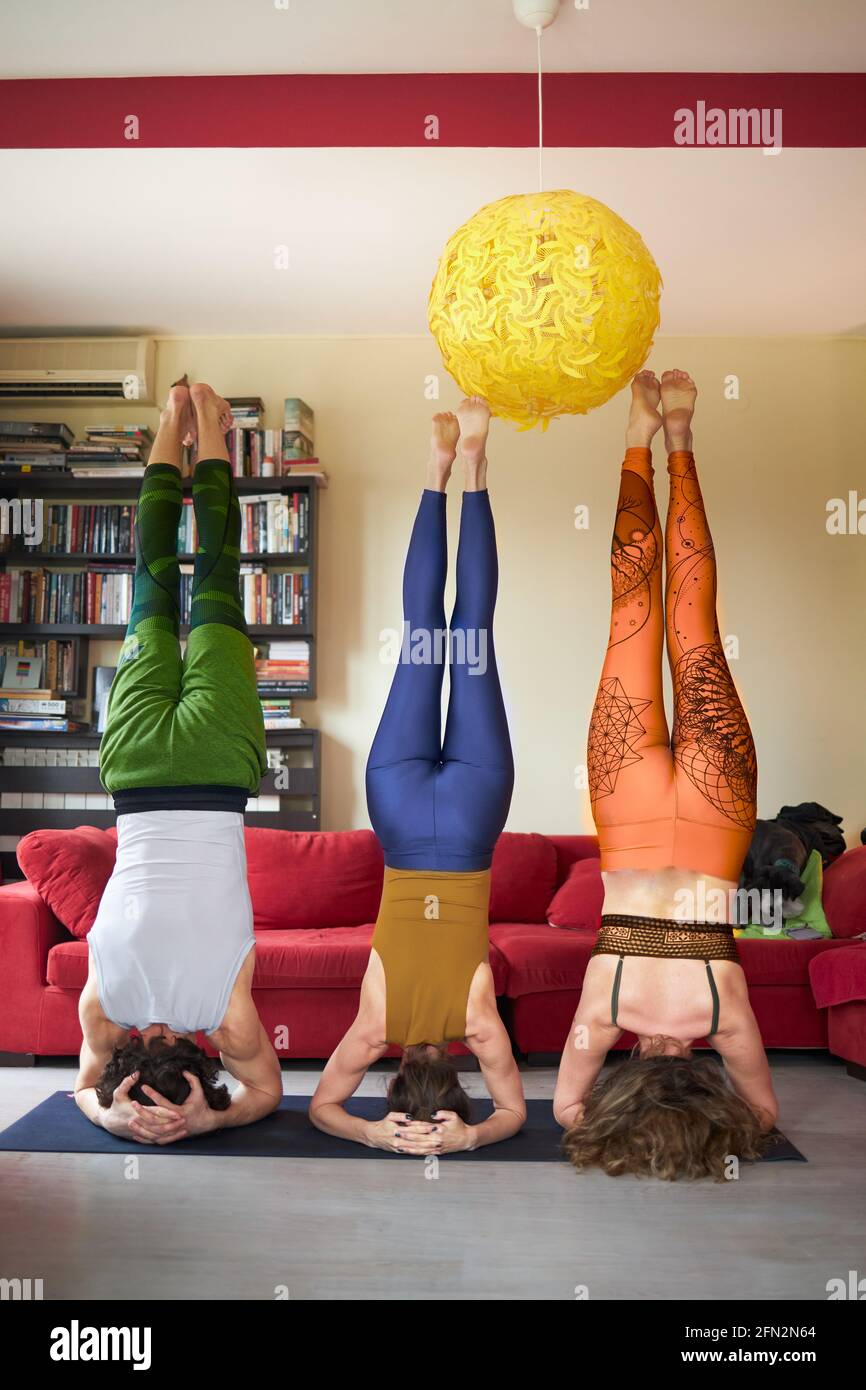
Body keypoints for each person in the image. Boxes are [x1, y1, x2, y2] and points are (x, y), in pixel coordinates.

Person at [554, 369, 778, 1180]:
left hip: (716, 823)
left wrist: (709, 1132)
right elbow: (566, 1109)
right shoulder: (602, 1014)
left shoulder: (729, 1023)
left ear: (697, 1076)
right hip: (632, 809)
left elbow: (763, 1114)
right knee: (636, 614)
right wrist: (621, 1130)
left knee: (695, 626)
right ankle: (638, 439)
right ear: (631, 1075)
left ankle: (679, 435)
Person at [310, 398, 526, 1155]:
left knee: (468, 630)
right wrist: (376, 1137)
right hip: (402, 806)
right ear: (396, 1075)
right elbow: (323, 1111)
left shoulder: (479, 1031)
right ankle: (439, 473)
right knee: (424, 634)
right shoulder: (374, 1032)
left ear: (454, 1079)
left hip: (471, 806)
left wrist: (467, 1138)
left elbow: (514, 1116)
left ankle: (470, 466)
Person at [74, 378, 282, 1144]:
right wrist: (141, 1118)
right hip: (140, 774)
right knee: (154, 584)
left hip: (208, 769)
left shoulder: (217, 1020)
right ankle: (180, 423)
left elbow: (262, 1091)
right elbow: (84, 1090)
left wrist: (170, 1118)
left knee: (206, 576)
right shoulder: (118, 1013)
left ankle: (203, 431)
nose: (159, 1036)